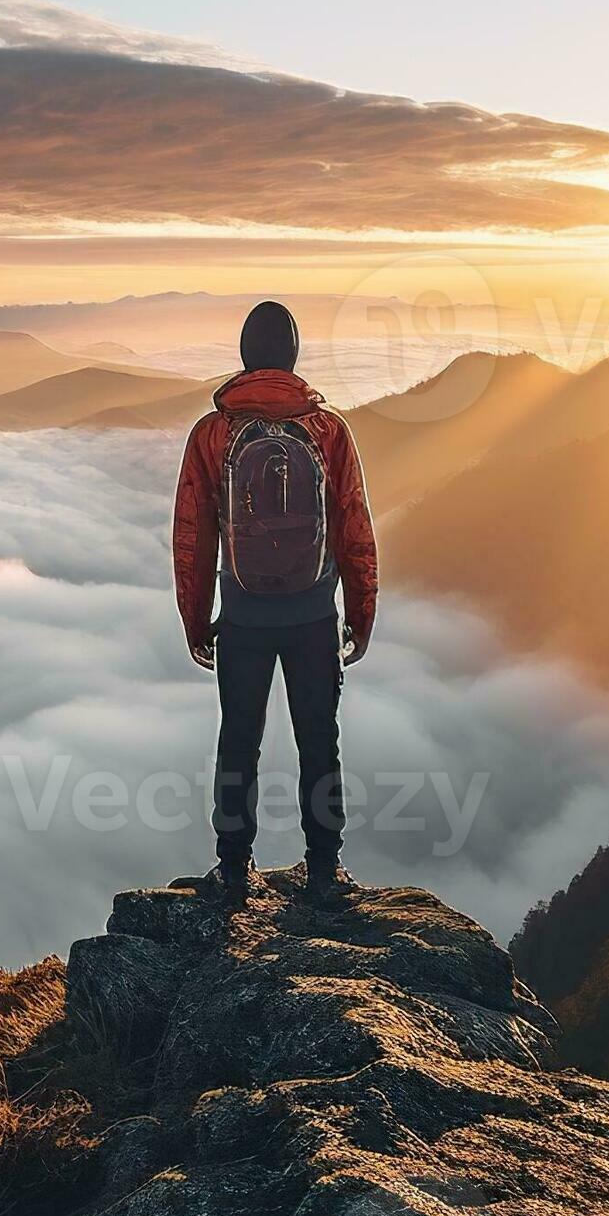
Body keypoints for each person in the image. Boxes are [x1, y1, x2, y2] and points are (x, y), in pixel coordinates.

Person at [171, 300, 378, 904]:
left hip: (242, 617)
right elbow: (353, 526)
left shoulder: (214, 433)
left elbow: (193, 534)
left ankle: (234, 869)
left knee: (239, 739)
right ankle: (324, 869)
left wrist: (195, 620)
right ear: (293, 358)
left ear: (243, 357)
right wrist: (361, 614)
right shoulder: (328, 430)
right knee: (319, 738)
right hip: (314, 616)